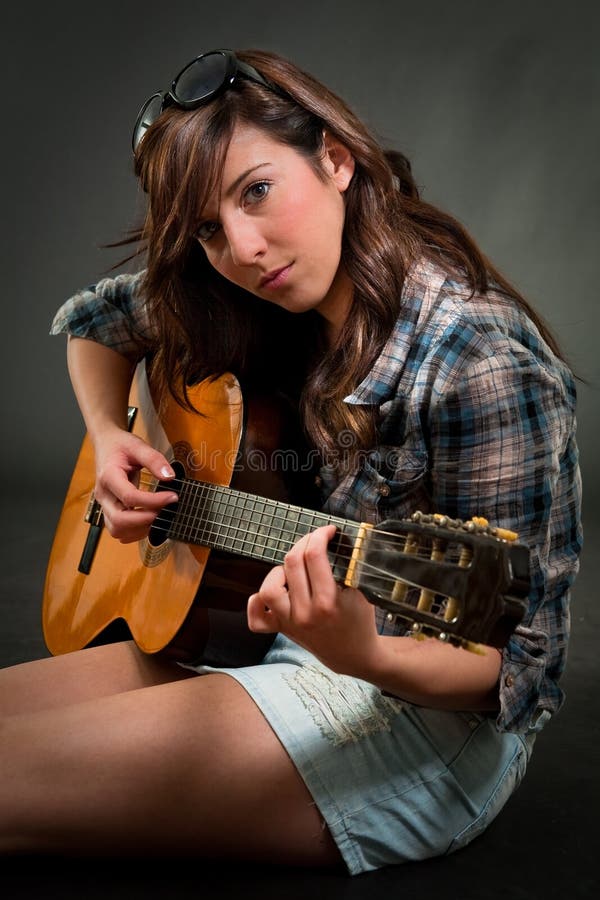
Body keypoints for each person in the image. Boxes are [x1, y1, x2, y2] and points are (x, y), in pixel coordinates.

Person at [1, 48, 582, 874]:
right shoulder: (251, 291)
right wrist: (110, 437)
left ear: (336, 160)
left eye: (257, 191)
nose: (241, 247)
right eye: (207, 228)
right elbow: (96, 323)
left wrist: (364, 654)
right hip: (270, 641)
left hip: (427, 722)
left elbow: (505, 671)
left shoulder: (478, 361)